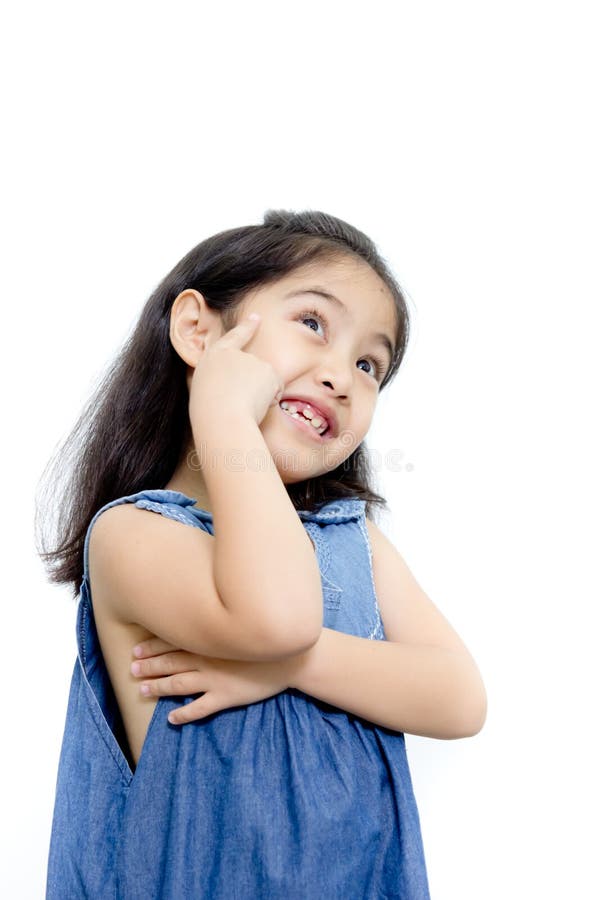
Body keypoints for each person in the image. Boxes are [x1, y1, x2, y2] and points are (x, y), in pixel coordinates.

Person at [37, 209, 487, 899]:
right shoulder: (132, 535)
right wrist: (222, 412)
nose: (342, 377)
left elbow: (459, 698)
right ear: (199, 333)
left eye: (369, 364)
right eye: (313, 323)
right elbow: (278, 618)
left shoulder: (350, 541)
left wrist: (286, 671)